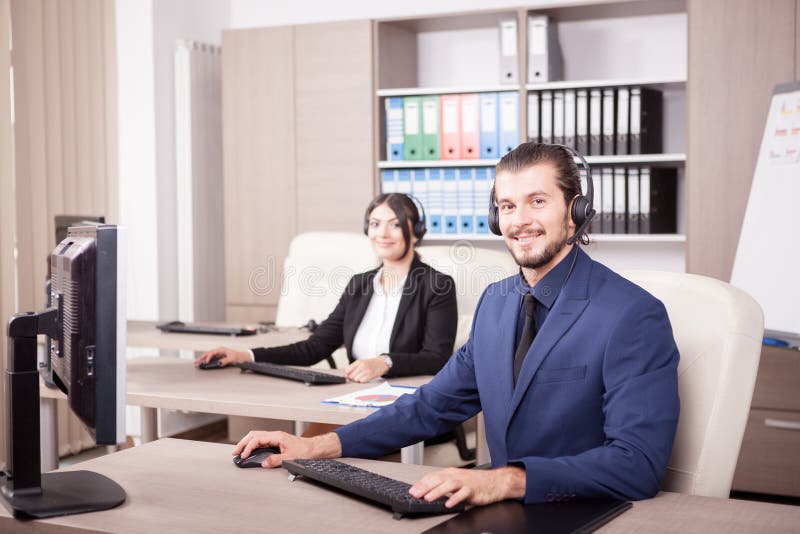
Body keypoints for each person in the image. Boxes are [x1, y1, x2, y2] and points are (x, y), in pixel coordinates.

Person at [232, 143, 680, 508]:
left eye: (538, 201)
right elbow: (430, 406)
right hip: (504, 508)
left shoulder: (631, 315)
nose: (520, 220)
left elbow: (637, 466)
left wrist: (504, 481)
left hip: (583, 512)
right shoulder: (496, 303)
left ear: (575, 210)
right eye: (507, 206)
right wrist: (314, 446)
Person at [195, 193, 458, 384]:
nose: (383, 233)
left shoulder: (437, 285)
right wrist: (243, 355)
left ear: (416, 232)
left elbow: (437, 357)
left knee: (319, 441)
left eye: (396, 224)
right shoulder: (359, 285)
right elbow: (315, 348)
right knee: (303, 441)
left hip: (411, 400)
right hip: (357, 395)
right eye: (375, 224)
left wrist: (385, 362)